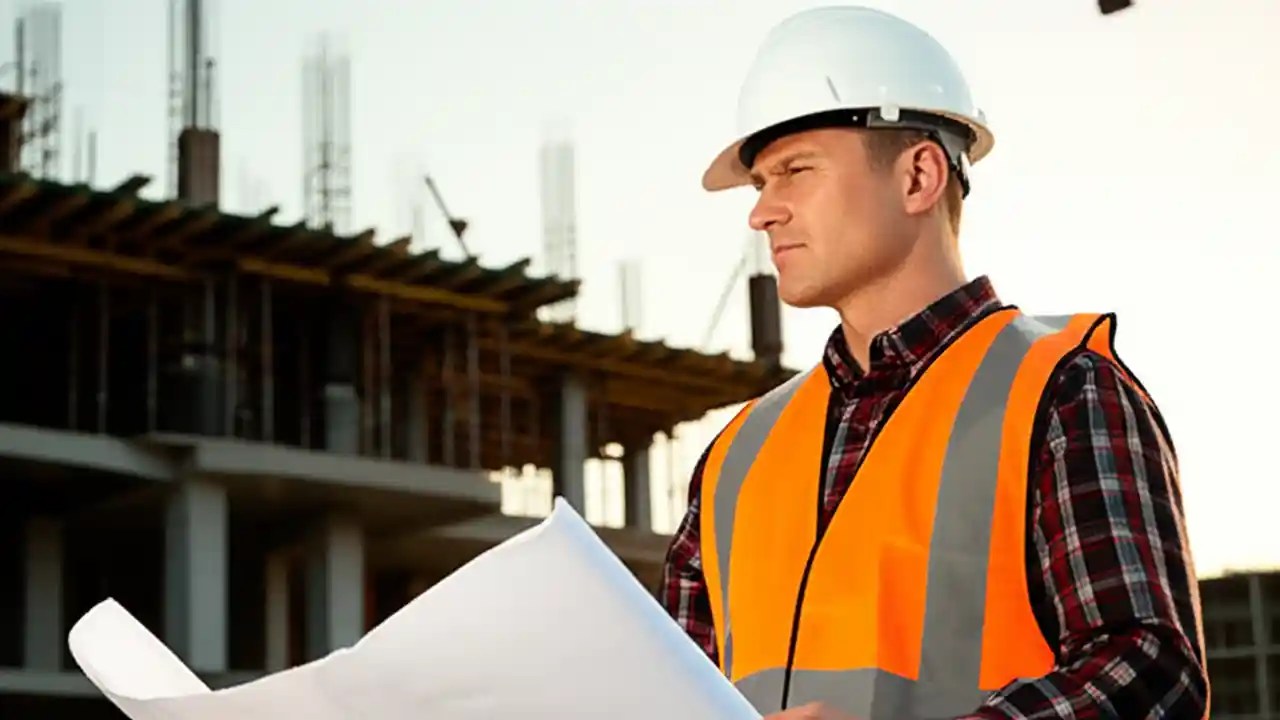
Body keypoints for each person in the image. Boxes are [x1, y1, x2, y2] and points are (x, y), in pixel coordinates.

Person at [658, 6, 1208, 720]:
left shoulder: (1061, 390)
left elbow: (1150, 673)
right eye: (761, 182)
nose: (762, 212)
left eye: (794, 171)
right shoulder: (734, 459)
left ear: (919, 176)